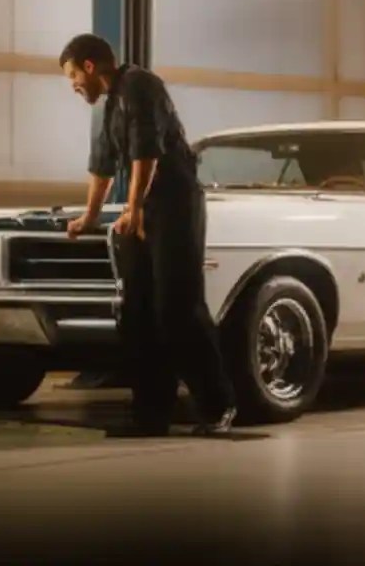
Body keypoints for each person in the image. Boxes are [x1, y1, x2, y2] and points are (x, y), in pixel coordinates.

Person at [60, 33, 236, 437]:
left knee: (177, 308)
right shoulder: (105, 106)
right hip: (140, 210)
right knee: (138, 314)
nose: (72, 85)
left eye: (72, 75)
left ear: (89, 66)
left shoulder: (140, 84)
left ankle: (217, 405)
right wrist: (89, 217)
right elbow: (102, 165)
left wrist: (134, 206)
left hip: (174, 205)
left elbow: (147, 152)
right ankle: (150, 413)